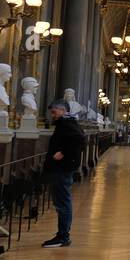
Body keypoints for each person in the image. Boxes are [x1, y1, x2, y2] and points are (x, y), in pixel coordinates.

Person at [41, 100, 86, 248]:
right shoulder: (65, 123)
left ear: (63, 111)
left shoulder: (67, 123)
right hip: (60, 168)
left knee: (63, 203)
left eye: (54, 112)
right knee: (61, 202)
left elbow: (80, 139)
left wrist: (64, 153)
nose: (52, 115)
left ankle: (63, 236)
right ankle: (62, 235)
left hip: (62, 169)